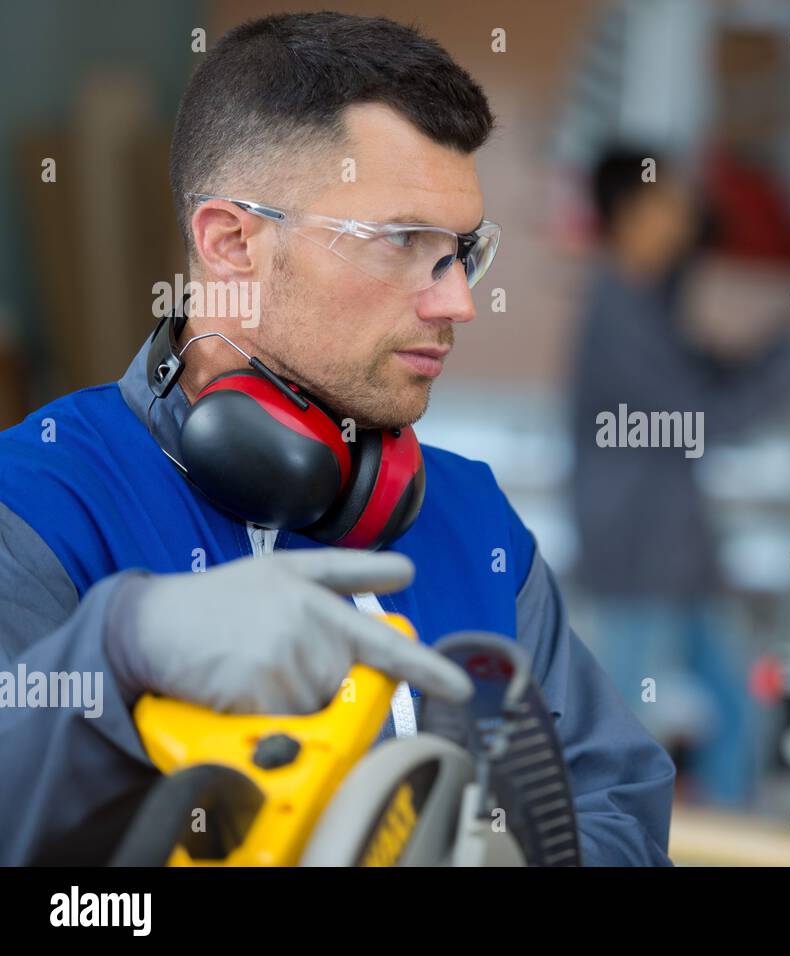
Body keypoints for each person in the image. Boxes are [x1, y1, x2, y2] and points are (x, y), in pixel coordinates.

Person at [0, 12, 673, 866]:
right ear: (231, 242)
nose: (457, 302)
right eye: (401, 243)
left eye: (462, 251)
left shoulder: (473, 519)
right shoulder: (36, 505)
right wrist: (118, 651)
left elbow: (615, 804)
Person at [570, 148, 790, 807]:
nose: (684, 217)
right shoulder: (618, 311)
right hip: (639, 548)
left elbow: (711, 382)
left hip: (675, 545)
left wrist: (788, 346)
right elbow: (704, 419)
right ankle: (612, 845)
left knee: (736, 708)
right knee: (626, 721)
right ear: (630, 217)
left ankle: (727, 838)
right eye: (669, 203)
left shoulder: (649, 299)